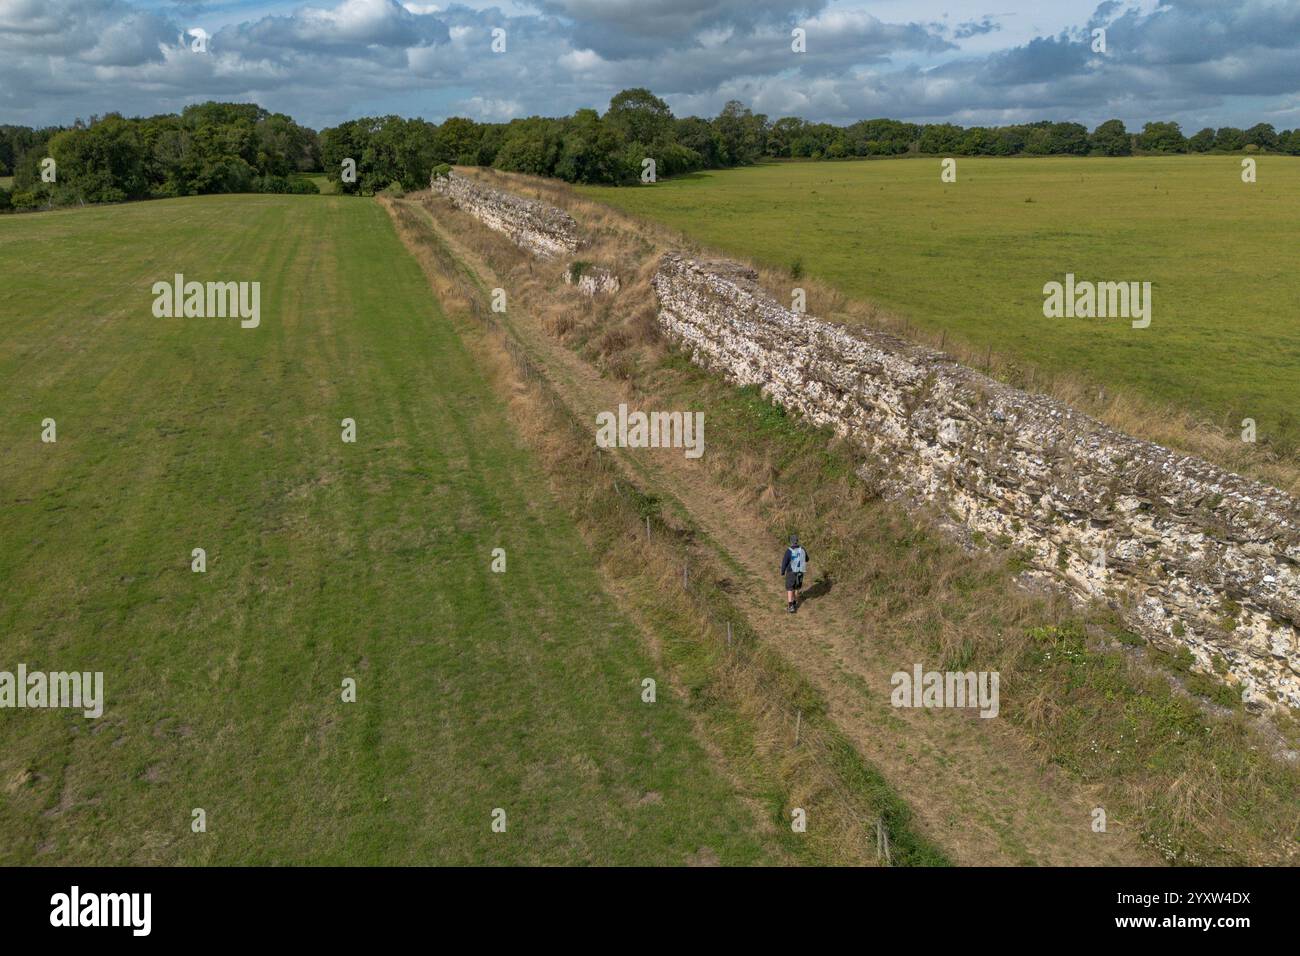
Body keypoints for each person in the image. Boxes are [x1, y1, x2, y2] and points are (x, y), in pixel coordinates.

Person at [781, 534, 809, 613]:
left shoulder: (789, 550)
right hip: (800, 572)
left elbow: (784, 562)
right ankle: (794, 602)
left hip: (791, 572)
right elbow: (807, 559)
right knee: (796, 587)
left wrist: (783, 571)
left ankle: (790, 606)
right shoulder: (802, 549)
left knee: (790, 588)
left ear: (791, 541)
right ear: (797, 541)